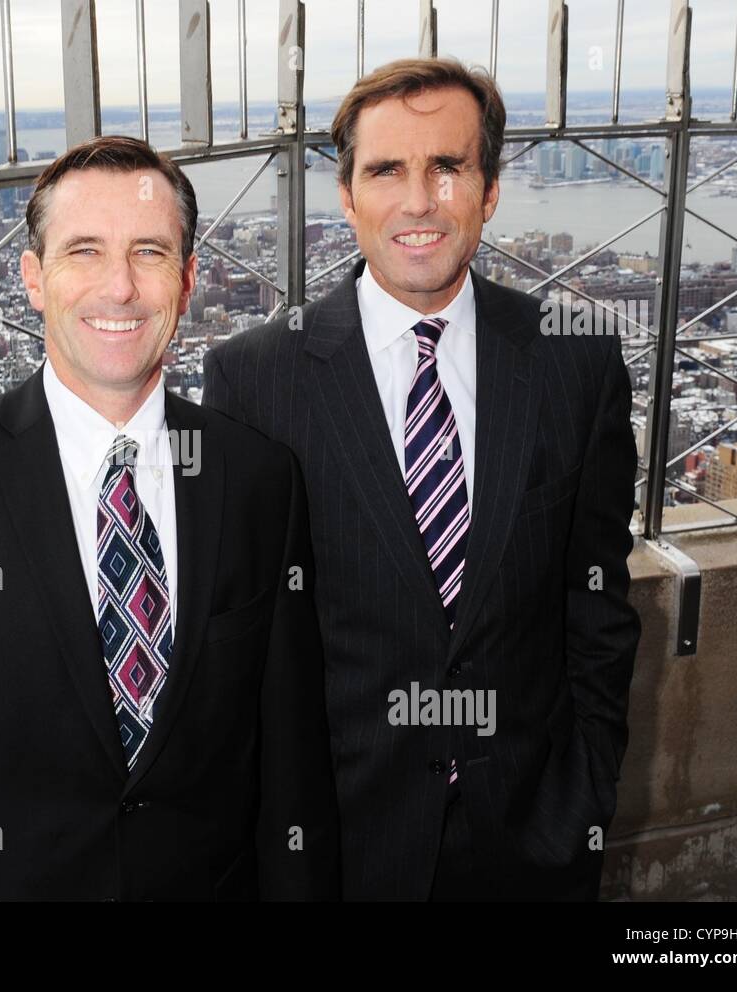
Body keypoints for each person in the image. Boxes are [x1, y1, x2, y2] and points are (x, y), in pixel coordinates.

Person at [0, 135, 339, 901]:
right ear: (34, 278)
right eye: (84, 251)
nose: (119, 288)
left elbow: (293, 775)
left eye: (150, 253)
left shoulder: (258, 480)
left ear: (188, 279)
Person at [203, 57, 641, 900]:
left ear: (490, 188)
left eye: (448, 167)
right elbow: (244, 650)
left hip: (531, 840)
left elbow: (598, 609)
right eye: (387, 170)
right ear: (347, 195)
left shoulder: (576, 361)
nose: (418, 201)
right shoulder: (255, 379)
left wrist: (586, 790)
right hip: (338, 845)